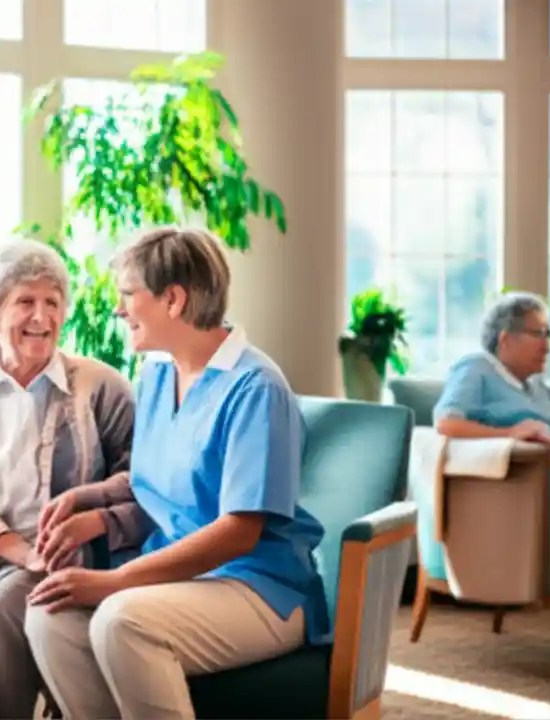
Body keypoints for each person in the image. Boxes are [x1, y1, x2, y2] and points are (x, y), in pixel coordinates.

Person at [24, 227, 329, 720]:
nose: (118, 310)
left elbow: (238, 532)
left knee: (122, 620)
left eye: (127, 296)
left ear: (173, 299)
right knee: (48, 616)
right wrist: (92, 507)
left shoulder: (256, 388)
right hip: (178, 580)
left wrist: (115, 580)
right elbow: (157, 483)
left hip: (258, 588)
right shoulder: (157, 378)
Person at [0, 239, 150, 720]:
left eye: (52, 302)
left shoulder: (102, 387)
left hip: (52, 551)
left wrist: (89, 518)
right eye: (25, 301)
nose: (41, 316)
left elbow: (140, 481)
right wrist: (11, 545)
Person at [433, 291, 550, 497]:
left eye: (547, 335)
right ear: (505, 339)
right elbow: (446, 424)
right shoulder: (476, 368)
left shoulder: (534, 385)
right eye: (539, 334)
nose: (547, 347)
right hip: (533, 491)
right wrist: (509, 434)